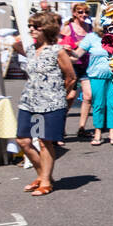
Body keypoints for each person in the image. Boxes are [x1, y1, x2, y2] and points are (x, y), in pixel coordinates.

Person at [13, 10, 76, 196]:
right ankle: (42, 174)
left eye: (35, 27)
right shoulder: (31, 49)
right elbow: (16, 44)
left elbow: (71, 77)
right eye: (30, 26)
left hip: (50, 103)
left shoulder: (58, 51)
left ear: (46, 29)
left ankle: (46, 181)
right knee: (23, 140)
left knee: (44, 141)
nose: (31, 30)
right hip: (28, 101)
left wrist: (58, 95)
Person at [77, 21, 113, 145]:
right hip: (96, 76)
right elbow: (77, 54)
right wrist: (66, 53)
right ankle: (98, 133)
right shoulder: (91, 37)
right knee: (98, 104)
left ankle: (112, 132)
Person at [59, 2, 93, 140]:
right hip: (71, 66)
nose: (83, 15)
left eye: (86, 12)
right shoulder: (68, 28)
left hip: (86, 66)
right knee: (69, 97)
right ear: (74, 13)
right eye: (80, 12)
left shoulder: (90, 28)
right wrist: (70, 45)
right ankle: (60, 127)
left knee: (88, 96)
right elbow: (58, 44)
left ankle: (81, 128)